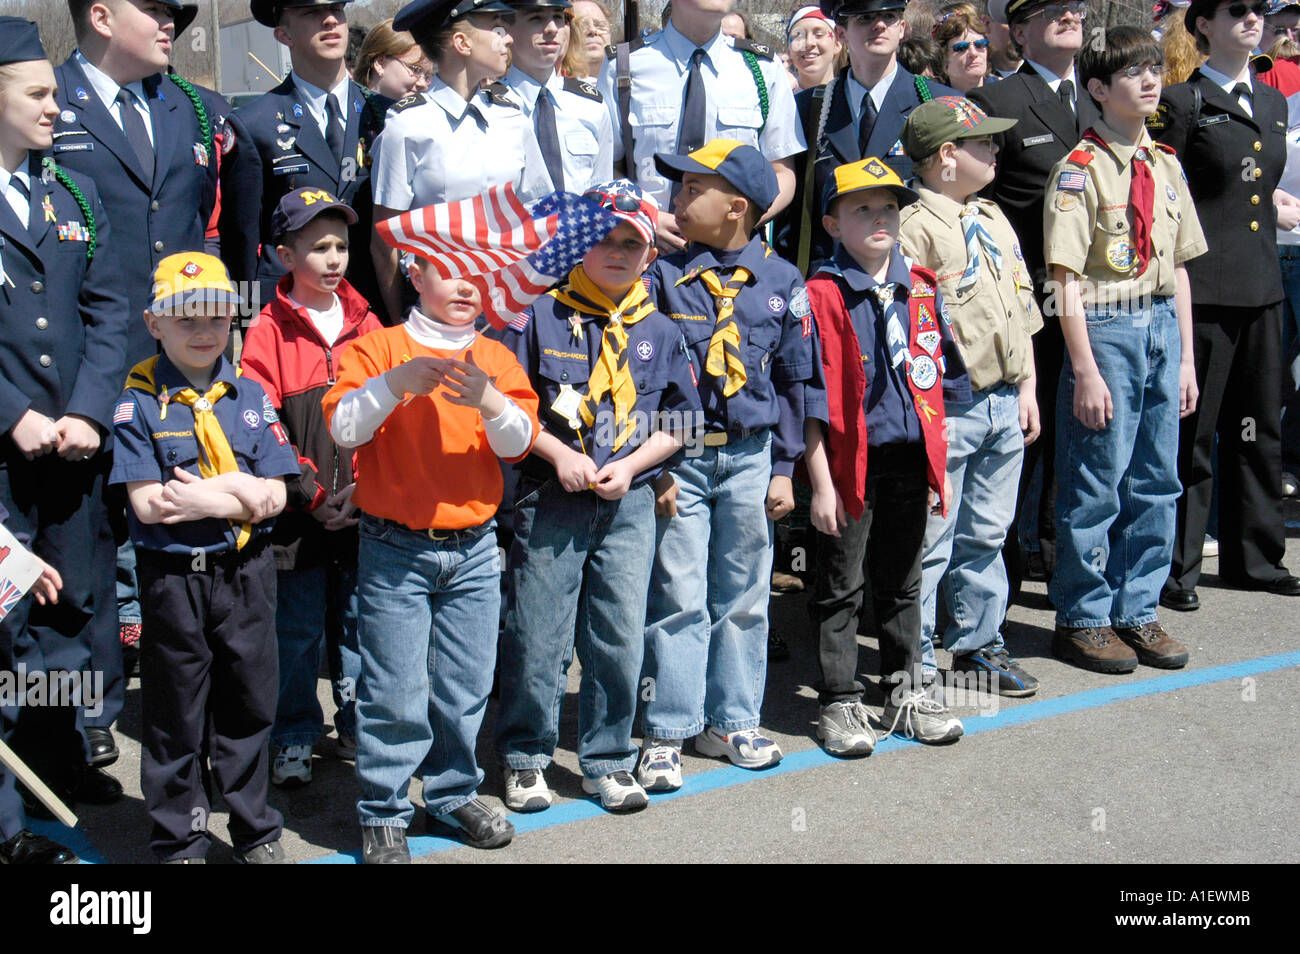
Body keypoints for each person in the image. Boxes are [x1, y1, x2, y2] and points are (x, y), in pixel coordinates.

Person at [322, 241, 541, 863]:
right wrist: (395, 384)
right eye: (449, 270)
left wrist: (491, 401)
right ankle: (384, 810)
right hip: (395, 547)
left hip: (473, 548)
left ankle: (452, 792)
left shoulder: (494, 356)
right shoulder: (379, 348)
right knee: (394, 688)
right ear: (416, 274)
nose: (467, 285)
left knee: (466, 684)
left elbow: (518, 443)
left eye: (479, 275)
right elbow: (344, 429)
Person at [494, 181, 700, 813]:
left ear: (649, 256)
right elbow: (502, 407)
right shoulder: (538, 315)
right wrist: (560, 456)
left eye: (630, 243)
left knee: (618, 633)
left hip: (628, 501)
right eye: (603, 240)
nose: (616, 252)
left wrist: (634, 466)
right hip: (550, 496)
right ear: (578, 245)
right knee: (538, 631)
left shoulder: (661, 329)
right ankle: (526, 755)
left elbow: (684, 422)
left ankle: (607, 757)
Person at [55, 0, 222, 768]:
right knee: (89, 554)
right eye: (153, 9)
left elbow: (224, 231)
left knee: (185, 536)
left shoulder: (188, 108)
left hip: (180, 369)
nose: (172, 23)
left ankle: (191, 708)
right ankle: (89, 716)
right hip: (84, 370)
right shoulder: (47, 101)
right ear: (98, 14)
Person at [636, 141, 824, 790]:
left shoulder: (781, 283)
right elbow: (642, 378)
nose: (677, 202)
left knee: (744, 596)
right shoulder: (660, 276)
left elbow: (800, 383)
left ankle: (732, 718)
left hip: (749, 459)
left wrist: (784, 468)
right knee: (678, 594)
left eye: (693, 190)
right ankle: (667, 728)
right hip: (678, 460)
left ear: (736, 207)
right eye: (679, 189)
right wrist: (650, 467)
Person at [110, 252, 299, 863]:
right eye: (185, 316)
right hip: (175, 580)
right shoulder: (137, 401)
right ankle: (181, 836)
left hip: (247, 576)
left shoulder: (248, 395)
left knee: (247, 702)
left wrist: (219, 494)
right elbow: (149, 506)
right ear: (154, 323)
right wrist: (244, 492)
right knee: (177, 714)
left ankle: (254, 830)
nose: (203, 329)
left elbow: (276, 493)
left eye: (217, 316)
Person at [0, 15, 129, 862]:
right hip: (4, 455)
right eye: (39, 93)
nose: (57, 107)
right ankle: (8, 821)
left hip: (73, 450)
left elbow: (109, 309)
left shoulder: (70, 191)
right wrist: (11, 412)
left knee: (72, 611)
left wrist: (86, 409)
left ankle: (56, 758)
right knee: (6, 621)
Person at [1044, 26, 1206, 671]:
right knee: (1096, 479)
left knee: (1157, 479)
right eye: (1132, 73)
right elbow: (1064, 280)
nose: (1148, 80)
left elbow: (1182, 268)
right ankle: (1084, 616)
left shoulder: (1164, 165)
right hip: (1108, 330)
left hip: (1163, 324)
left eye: (1153, 69)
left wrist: (1187, 356)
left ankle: (1137, 608)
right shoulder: (1078, 173)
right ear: (1098, 91)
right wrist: (1083, 369)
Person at [803, 157, 969, 754]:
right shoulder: (821, 295)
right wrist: (821, 485)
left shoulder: (920, 287)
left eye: (889, 208)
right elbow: (811, 402)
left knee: (903, 579)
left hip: (907, 458)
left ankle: (905, 691)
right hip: (850, 465)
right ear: (832, 223)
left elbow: (938, 379)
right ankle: (839, 701)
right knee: (841, 583)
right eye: (861, 209)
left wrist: (934, 463)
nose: (879, 219)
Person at [1152, 0, 1300, 608]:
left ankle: (1256, 559)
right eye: (1234, 10)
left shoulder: (1272, 101)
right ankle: (1177, 567)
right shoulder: (1181, 104)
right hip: (1205, 290)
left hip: (1264, 286)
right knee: (1194, 434)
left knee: (1257, 430)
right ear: (1203, 26)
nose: (1251, 19)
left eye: (1257, 11)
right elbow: (1167, 194)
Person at [897, 96, 1042, 695]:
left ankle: (979, 645)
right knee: (934, 536)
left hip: (1004, 400)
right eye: (984, 143)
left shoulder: (993, 216)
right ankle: (918, 654)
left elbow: (1020, 306)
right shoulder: (914, 227)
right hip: (950, 408)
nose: (996, 151)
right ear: (948, 157)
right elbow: (909, 332)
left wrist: (1029, 385)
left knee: (987, 532)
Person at [238, 188, 382, 787]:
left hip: (364, 510)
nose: (333, 259)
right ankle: (295, 732)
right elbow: (261, 422)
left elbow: (388, 412)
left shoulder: (368, 319)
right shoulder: (266, 330)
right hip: (299, 517)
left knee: (356, 624)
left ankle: (355, 725)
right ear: (282, 254)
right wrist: (314, 495)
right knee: (295, 632)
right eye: (317, 247)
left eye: (342, 246)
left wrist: (365, 491)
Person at [968, 0, 1096, 604]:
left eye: (1075, 5)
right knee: (1028, 433)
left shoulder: (1102, 95)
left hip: (1104, 300)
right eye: (1051, 8)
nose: (1069, 12)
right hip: (1033, 303)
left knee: (1088, 438)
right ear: (1019, 31)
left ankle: (1062, 557)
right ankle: (1007, 572)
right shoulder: (1000, 103)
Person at [369, 0, 551, 326]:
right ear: (462, 43)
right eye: (496, 28)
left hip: (508, 307)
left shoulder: (511, 116)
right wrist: (400, 322)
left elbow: (538, 211)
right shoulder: (407, 126)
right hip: (436, 309)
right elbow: (385, 244)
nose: (508, 38)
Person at [220, 0, 392, 323]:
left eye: (337, 11)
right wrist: (251, 324)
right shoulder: (255, 124)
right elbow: (241, 245)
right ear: (284, 34)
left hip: (373, 311)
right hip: (292, 320)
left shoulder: (385, 115)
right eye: (312, 13)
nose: (330, 20)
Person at [597, 0, 805, 251]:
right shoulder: (624, 66)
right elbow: (606, 168)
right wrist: (647, 216)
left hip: (733, 260)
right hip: (646, 252)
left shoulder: (762, 68)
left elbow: (782, 174)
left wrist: (736, 224)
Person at [777, 0, 956, 273]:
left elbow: (959, 200)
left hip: (918, 280)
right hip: (830, 285)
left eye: (889, 16)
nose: (879, 25)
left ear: (903, 28)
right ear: (841, 34)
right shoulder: (806, 110)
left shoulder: (939, 103)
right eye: (864, 18)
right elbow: (790, 220)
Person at [502, 0, 613, 195]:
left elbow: (602, 190)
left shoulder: (590, 105)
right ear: (506, 27)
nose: (552, 28)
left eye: (558, 17)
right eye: (536, 18)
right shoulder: (489, 108)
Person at [352, 18, 433, 99]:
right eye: (415, 69)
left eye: (427, 77)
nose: (423, 84)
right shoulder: (347, 108)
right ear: (380, 64)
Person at [933, 2, 989, 94]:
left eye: (980, 44)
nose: (973, 53)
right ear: (943, 56)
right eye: (961, 48)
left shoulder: (1004, 91)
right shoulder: (931, 100)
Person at [787, 5, 843, 91]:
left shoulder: (853, 97)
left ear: (837, 45)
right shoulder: (777, 97)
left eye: (819, 34)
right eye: (798, 35)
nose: (809, 43)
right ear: (789, 51)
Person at [563, 0, 613, 80]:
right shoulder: (555, 86)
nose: (592, 30)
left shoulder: (630, 83)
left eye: (600, 25)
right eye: (582, 25)